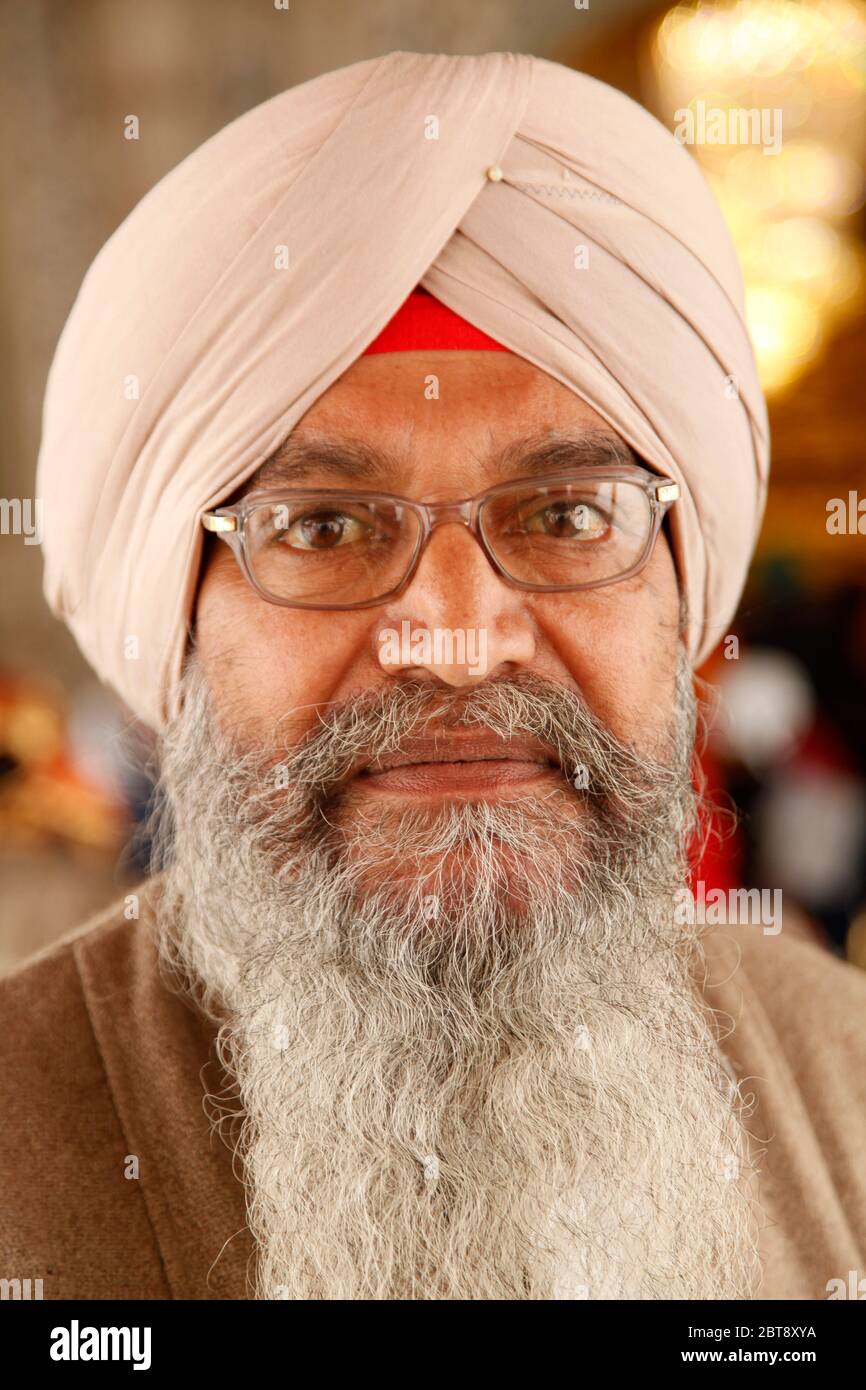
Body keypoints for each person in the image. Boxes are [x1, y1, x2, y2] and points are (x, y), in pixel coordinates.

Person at [2, 51, 864, 1301]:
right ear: (175, 622)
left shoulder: (840, 1081)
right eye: (322, 526)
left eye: (567, 515)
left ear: (683, 584)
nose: (459, 639)